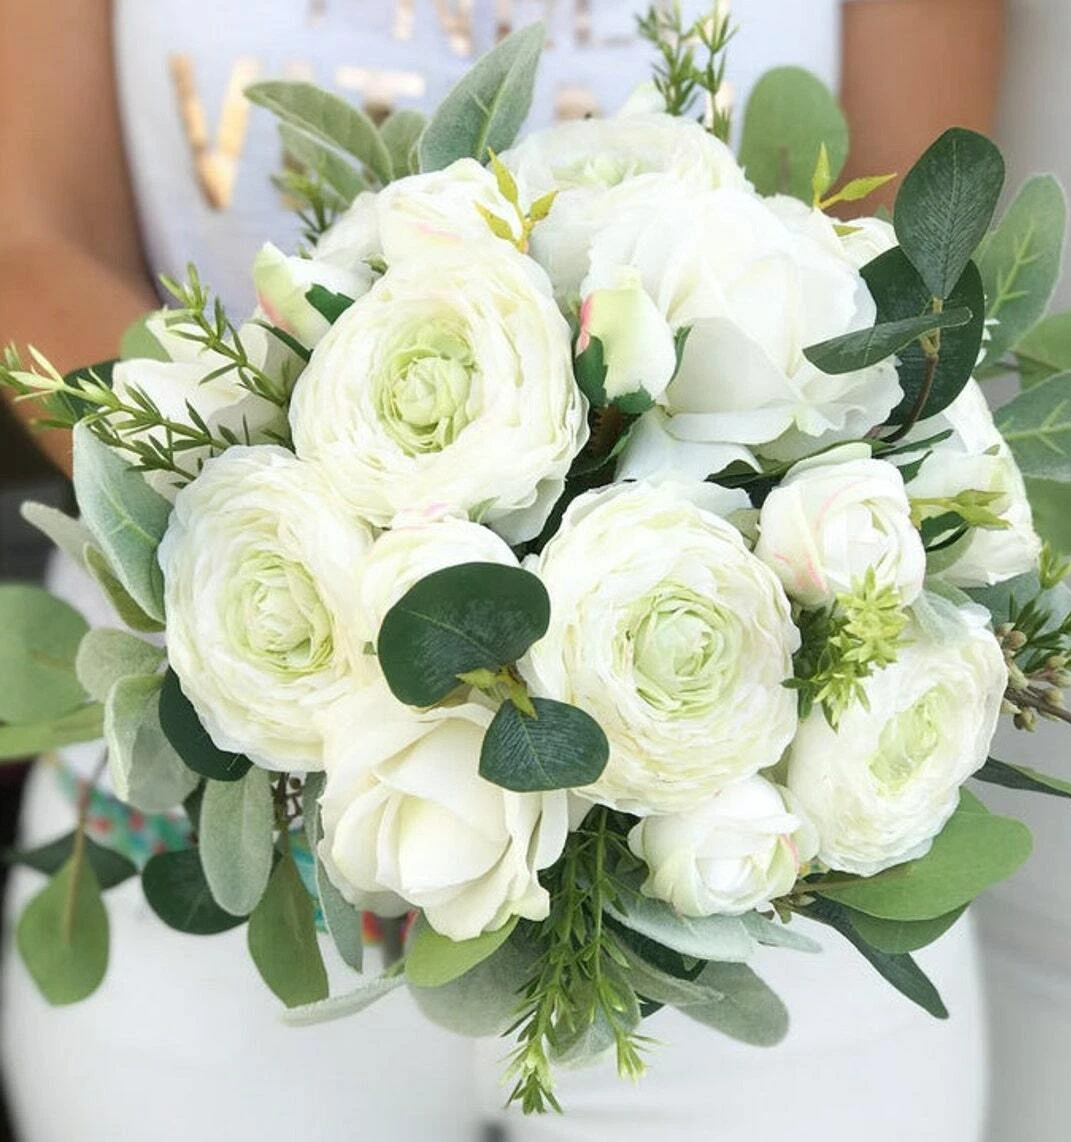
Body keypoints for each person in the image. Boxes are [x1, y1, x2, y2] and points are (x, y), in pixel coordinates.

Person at [0, 2, 1006, 1139]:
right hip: (225, 834)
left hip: (746, 867)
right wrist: (319, 551)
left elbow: (895, 293)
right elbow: (32, 242)